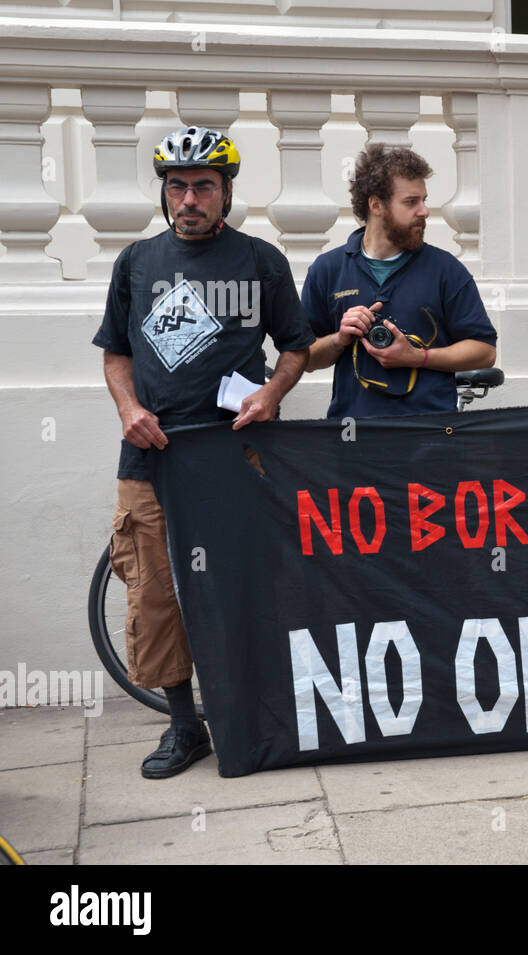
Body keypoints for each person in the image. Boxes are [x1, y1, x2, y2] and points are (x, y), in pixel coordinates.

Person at [93, 126, 315, 778]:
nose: (190, 197)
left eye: (204, 187)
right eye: (178, 185)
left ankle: (254, 712)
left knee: (242, 586)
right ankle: (185, 725)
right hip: (152, 458)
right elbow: (115, 357)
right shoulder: (135, 263)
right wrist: (128, 409)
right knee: (156, 595)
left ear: (225, 193)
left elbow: (297, 347)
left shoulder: (261, 261)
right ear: (165, 193)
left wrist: (273, 393)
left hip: (234, 454)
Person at [302, 144, 496, 416]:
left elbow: (485, 351)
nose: (425, 211)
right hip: (353, 435)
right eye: (411, 202)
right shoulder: (328, 269)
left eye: (424, 200)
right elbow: (305, 358)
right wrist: (340, 339)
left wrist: (418, 357)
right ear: (376, 204)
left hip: (430, 437)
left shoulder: (446, 269)